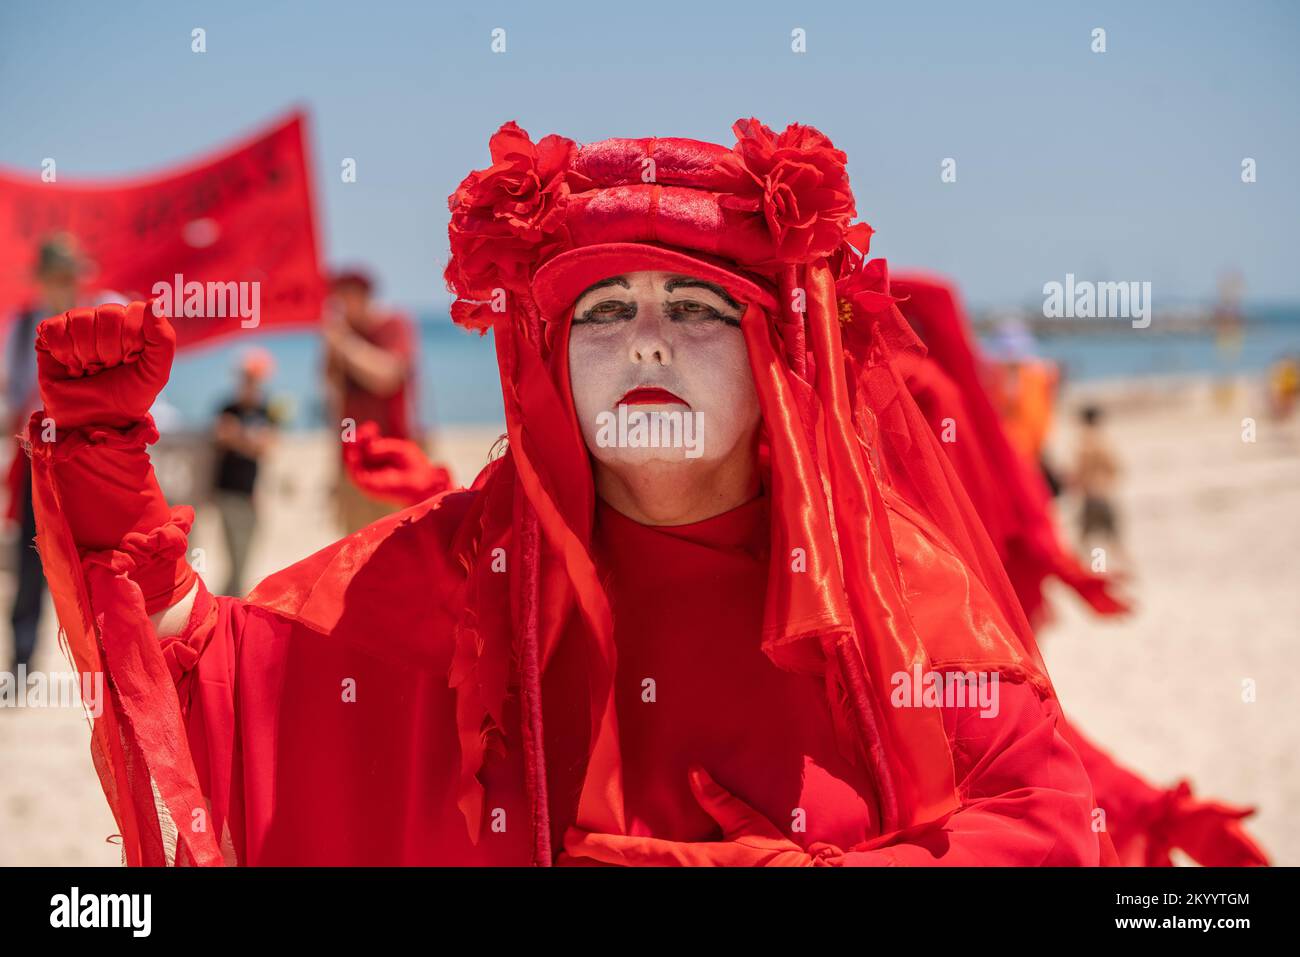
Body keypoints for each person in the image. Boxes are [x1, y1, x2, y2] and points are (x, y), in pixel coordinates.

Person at [29, 120, 1120, 866]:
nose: (643, 337)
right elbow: (212, 683)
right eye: (602, 313)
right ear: (553, 360)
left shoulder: (888, 597)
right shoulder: (454, 571)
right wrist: (105, 471)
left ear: (774, 356)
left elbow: (1048, 825)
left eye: (692, 305)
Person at [3, 235, 87, 674]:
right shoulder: (22, 329)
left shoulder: (92, 322)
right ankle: (20, 661)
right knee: (31, 561)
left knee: (93, 564)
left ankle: (101, 668)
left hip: (84, 461)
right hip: (36, 459)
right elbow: (11, 393)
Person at [321, 268, 420, 534]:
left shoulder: (393, 325)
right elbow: (333, 395)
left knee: (392, 544)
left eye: (344, 297)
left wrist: (344, 343)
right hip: (353, 461)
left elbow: (387, 377)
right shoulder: (342, 335)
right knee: (353, 548)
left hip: (393, 457)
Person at [210, 348, 279, 596]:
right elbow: (221, 437)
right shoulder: (228, 407)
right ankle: (229, 606)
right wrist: (249, 441)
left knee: (245, 557)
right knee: (235, 557)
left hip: (251, 495)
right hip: (227, 492)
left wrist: (237, 436)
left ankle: (227, 605)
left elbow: (266, 447)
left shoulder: (265, 410)